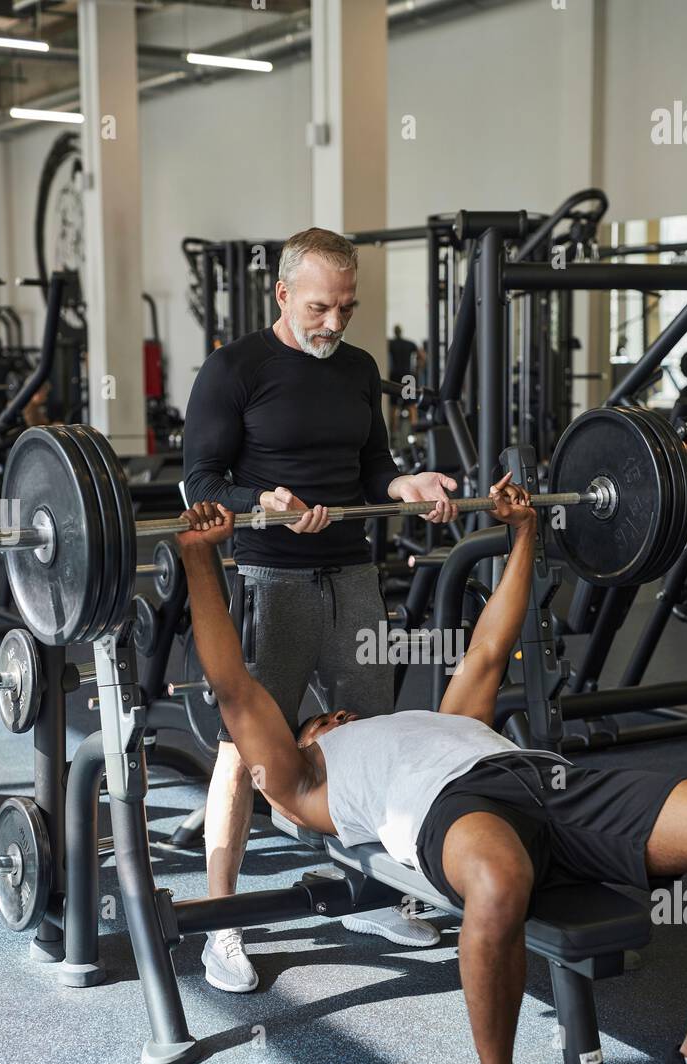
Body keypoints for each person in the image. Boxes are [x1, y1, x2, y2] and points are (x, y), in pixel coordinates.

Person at [176, 484, 687, 1064]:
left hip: (550, 783)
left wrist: (523, 535)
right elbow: (233, 687)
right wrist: (202, 560)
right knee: (500, 882)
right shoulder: (301, 780)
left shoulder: (440, 719)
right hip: (452, 809)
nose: (339, 713)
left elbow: (488, 648)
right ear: (300, 744)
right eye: (322, 720)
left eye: (341, 711)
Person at [183, 228, 458, 992]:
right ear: (281, 296)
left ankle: (369, 887)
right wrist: (257, 501)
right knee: (248, 750)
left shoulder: (361, 368)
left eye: (347, 307)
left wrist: (403, 487)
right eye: (318, 308)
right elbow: (198, 482)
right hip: (274, 574)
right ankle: (221, 920)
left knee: (369, 732)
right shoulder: (235, 368)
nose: (334, 323)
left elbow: (373, 464)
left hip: (355, 570)